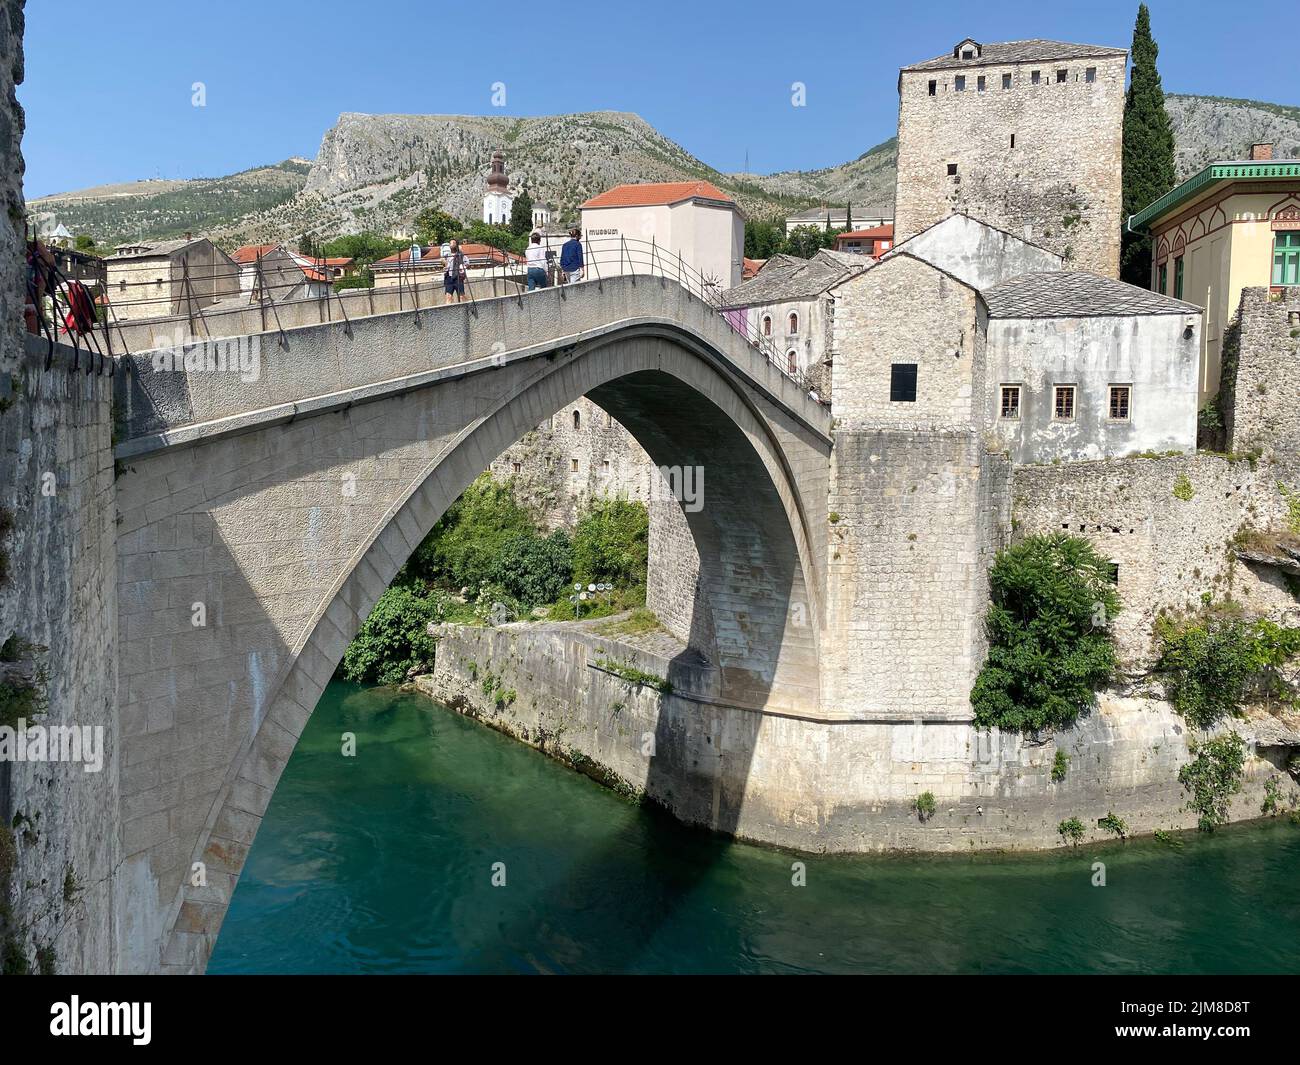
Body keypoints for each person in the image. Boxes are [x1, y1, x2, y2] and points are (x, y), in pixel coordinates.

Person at [443, 239, 467, 303]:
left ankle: (466, 309)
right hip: (449, 278)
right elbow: (445, 265)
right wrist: (444, 266)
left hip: (458, 277)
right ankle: (448, 311)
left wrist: (462, 267)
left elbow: (467, 263)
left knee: (462, 296)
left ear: (456, 245)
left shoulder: (460, 254)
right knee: (448, 296)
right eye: (450, 243)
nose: (452, 244)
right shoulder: (446, 256)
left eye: (454, 243)